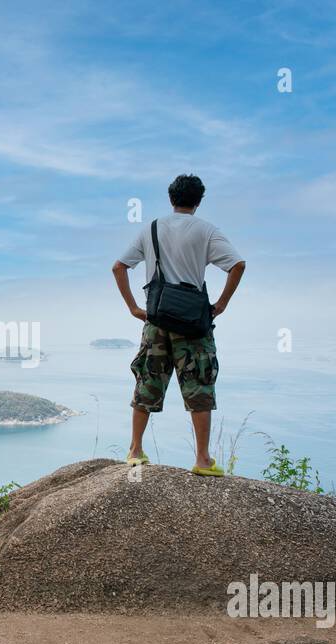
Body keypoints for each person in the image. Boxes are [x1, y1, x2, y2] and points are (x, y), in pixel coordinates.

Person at [110, 174, 246, 476]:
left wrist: (134, 307)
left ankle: (135, 450)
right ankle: (201, 460)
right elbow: (237, 264)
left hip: (156, 319)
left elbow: (119, 267)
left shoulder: (153, 229)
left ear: (172, 199)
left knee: (147, 380)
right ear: (198, 201)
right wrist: (221, 304)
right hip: (193, 324)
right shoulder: (207, 230)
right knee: (199, 383)